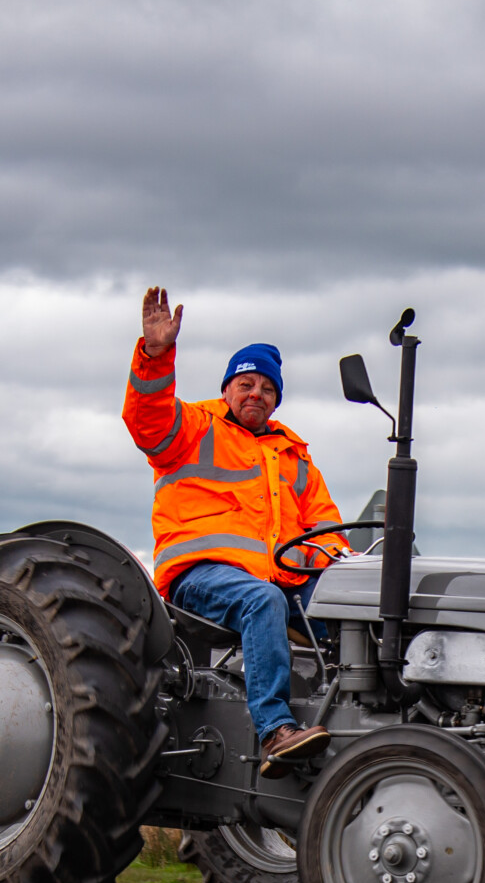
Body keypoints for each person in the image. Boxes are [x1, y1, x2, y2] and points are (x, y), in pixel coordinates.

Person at [122, 286, 348, 774]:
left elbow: (327, 525)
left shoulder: (292, 453)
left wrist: (327, 562)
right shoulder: (195, 426)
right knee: (260, 602)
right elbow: (146, 421)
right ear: (228, 389)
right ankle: (275, 731)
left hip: (277, 579)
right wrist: (156, 355)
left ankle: (356, 717)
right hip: (200, 575)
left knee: (354, 617)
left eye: (267, 389)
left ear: (275, 399)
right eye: (246, 384)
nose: (256, 394)